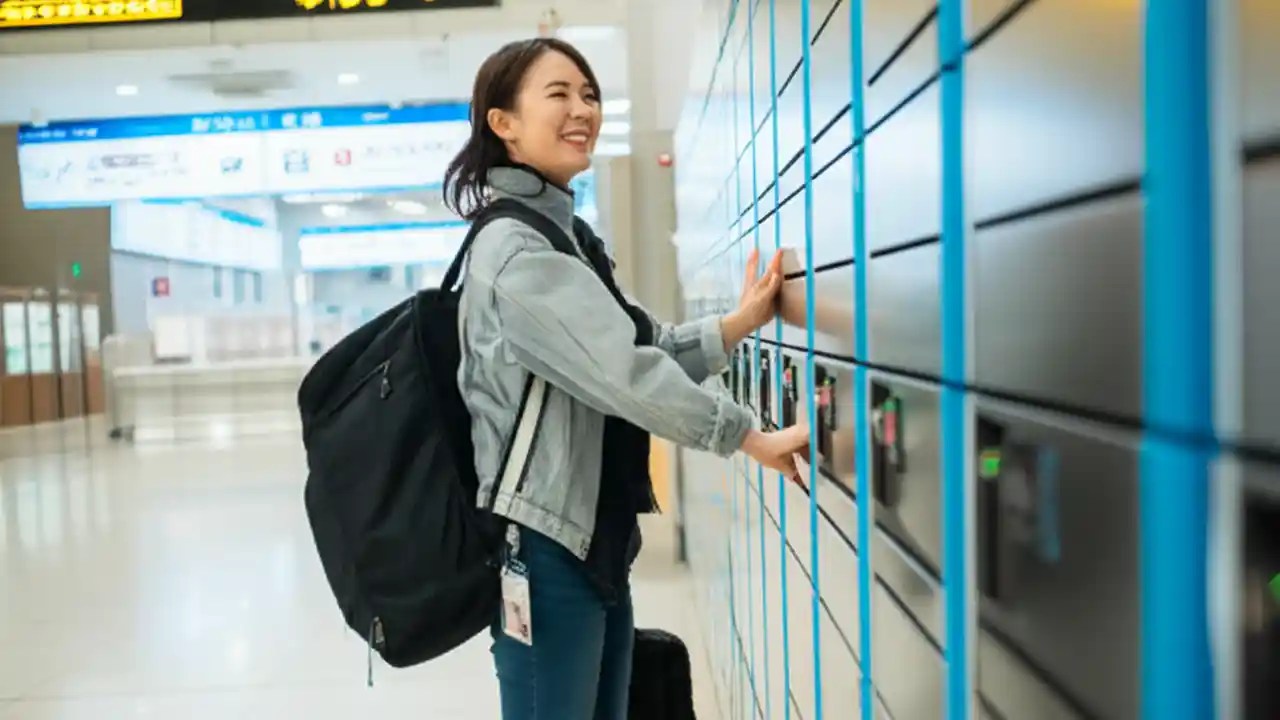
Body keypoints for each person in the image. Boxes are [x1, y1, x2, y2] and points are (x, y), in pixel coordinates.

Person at [447, 37, 811, 720]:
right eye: (558, 94)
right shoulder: (516, 251)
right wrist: (748, 437)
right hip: (546, 548)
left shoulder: (565, 235)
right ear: (504, 122)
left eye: (589, 94)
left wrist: (738, 324)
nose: (582, 108)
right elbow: (627, 374)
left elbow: (646, 345)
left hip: (592, 535)